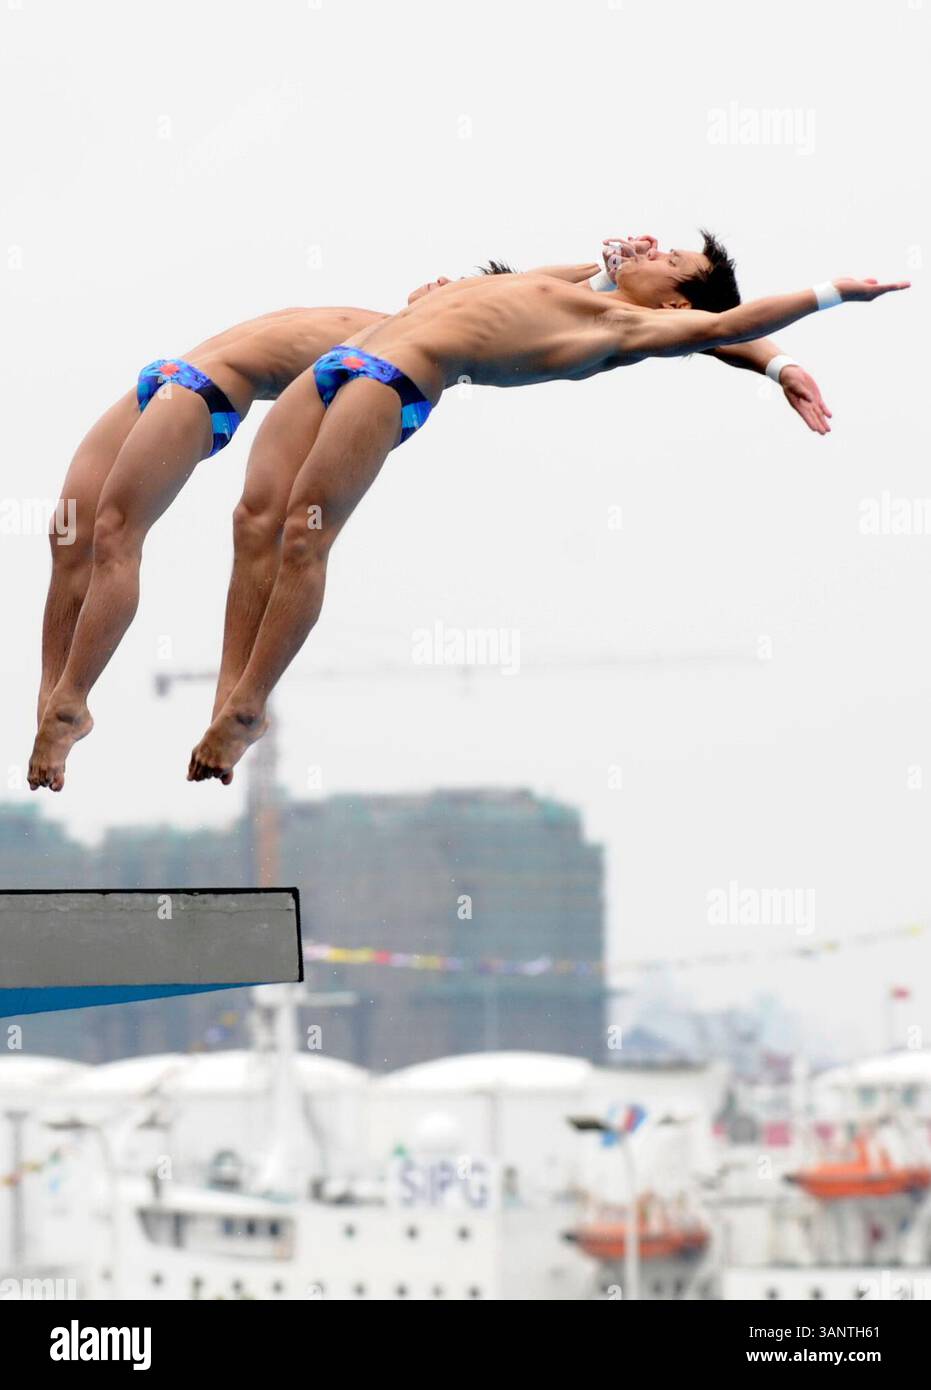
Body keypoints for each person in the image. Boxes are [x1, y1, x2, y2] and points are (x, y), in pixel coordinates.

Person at [184, 233, 906, 783]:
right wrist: (607, 266)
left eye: (670, 256)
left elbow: (725, 327)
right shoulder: (576, 288)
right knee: (255, 525)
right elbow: (519, 288)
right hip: (344, 359)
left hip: (392, 377)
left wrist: (825, 301)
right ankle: (227, 701)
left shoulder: (626, 328)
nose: (650, 246)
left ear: (676, 299)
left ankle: (251, 704)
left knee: (304, 536)